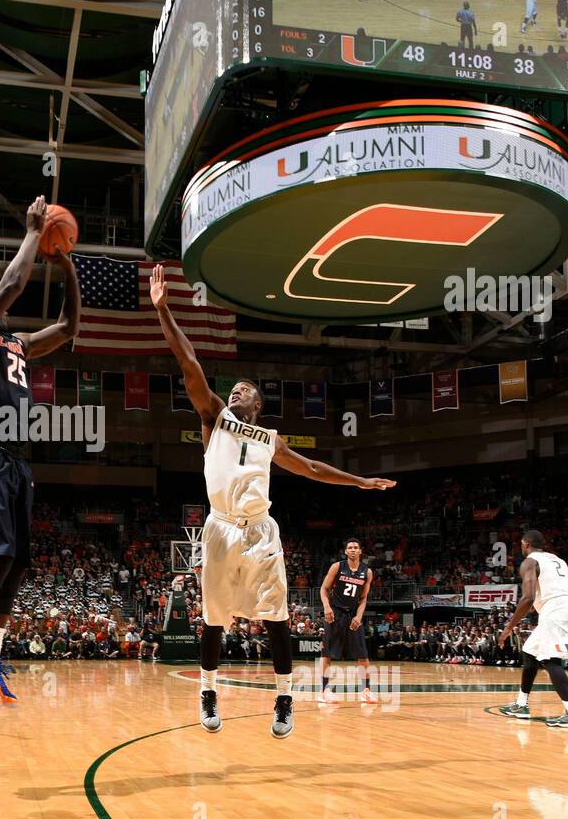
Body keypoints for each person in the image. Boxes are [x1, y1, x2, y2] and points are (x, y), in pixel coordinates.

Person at [148, 264, 396, 737]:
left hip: (261, 529)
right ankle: (208, 691)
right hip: (220, 527)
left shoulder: (269, 438)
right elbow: (189, 363)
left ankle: (285, 700)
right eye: (234, 388)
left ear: (257, 404)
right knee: (215, 619)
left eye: (246, 389)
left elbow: (314, 469)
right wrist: (164, 312)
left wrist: (360, 482)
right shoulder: (213, 418)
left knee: (276, 616)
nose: (236, 389)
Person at [0, 194, 81, 708]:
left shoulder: (19, 342)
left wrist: (65, 263)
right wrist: (33, 231)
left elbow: (70, 328)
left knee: (18, 562)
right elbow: (10, 286)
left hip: (18, 460)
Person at [498, 531, 568, 728]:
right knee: (529, 653)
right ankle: (521, 704)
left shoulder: (530, 562)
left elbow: (528, 598)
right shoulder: (558, 560)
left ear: (526, 543)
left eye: (521, 544)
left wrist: (508, 628)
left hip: (556, 610)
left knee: (550, 660)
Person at [319, 539, 378, 704]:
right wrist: (327, 607)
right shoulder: (337, 567)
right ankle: (324, 691)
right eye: (350, 548)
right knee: (327, 654)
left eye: (356, 547)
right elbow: (324, 589)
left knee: (363, 655)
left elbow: (363, 598)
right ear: (346, 551)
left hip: (353, 615)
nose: (353, 550)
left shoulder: (367, 572)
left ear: (360, 551)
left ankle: (366, 691)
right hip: (335, 613)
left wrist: (359, 617)